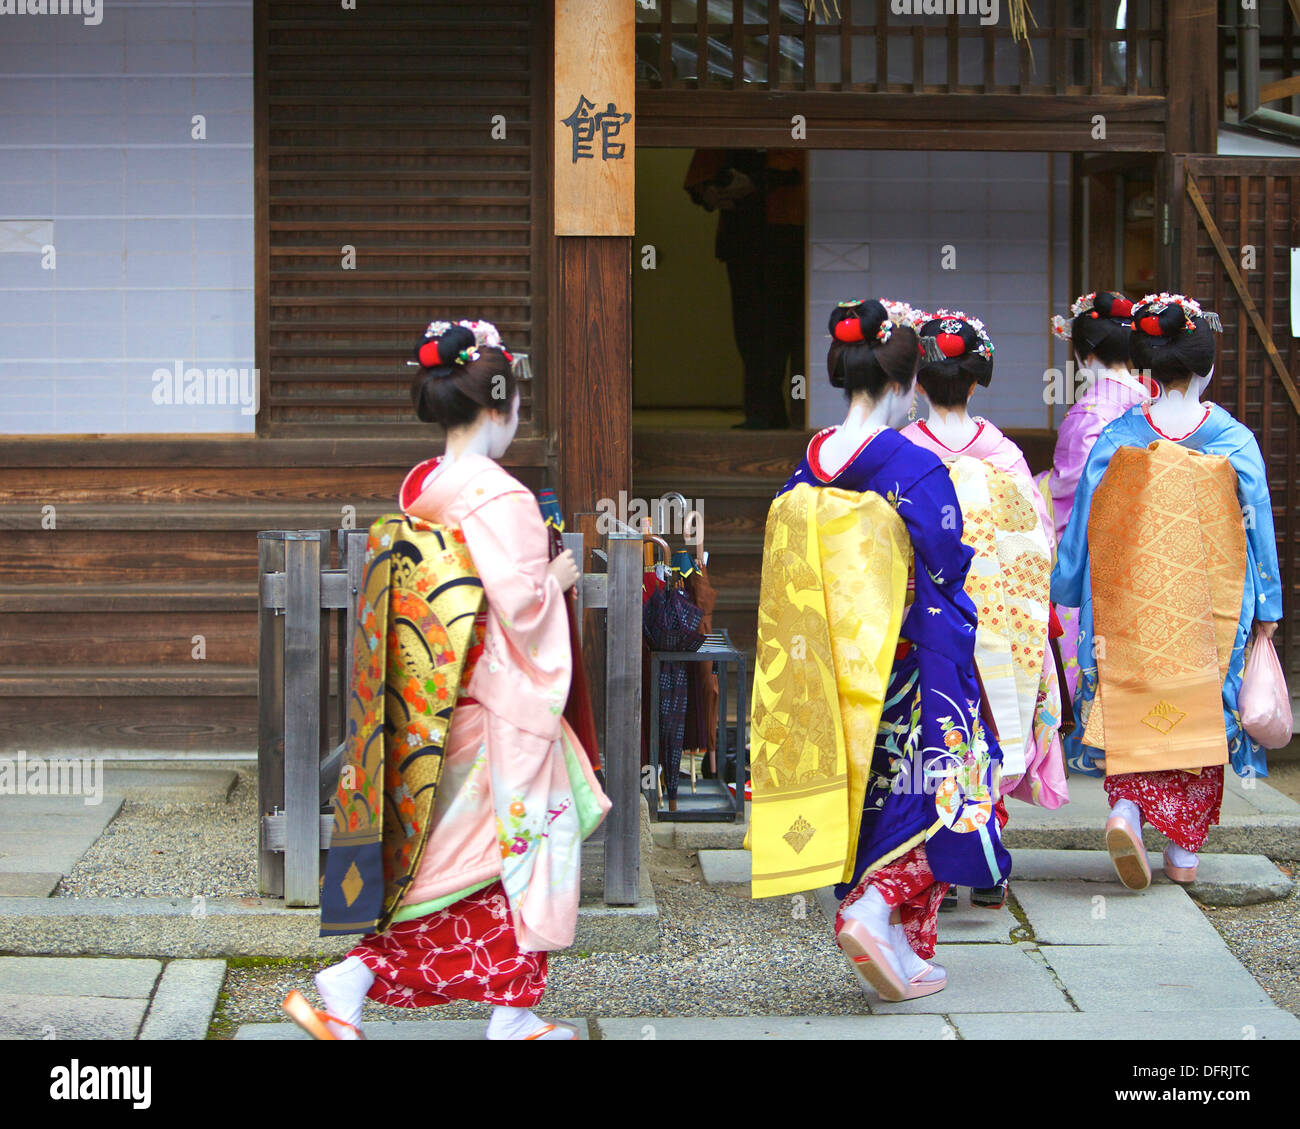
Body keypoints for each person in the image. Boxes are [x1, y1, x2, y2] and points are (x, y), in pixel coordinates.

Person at [283, 318, 610, 1040]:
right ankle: (385, 981)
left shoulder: (424, 489)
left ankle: (481, 1001)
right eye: (517, 405)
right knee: (527, 845)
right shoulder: (504, 497)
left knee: (477, 858)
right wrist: (556, 577)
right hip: (504, 703)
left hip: (440, 702)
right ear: (499, 407)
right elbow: (520, 606)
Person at [749, 298, 1011, 1003]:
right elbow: (948, 559)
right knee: (947, 785)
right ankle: (869, 910)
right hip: (906, 664)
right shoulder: (908, 463)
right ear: (904, 384)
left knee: (866, 794)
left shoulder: (808, 465)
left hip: (833, 669)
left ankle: (897, 940)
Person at [1051, 293, 1282, 889]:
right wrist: (1268, 607)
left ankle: (1127, 809)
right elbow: (1256, 526)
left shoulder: (1120, 434)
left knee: (1135, 706)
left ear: (1150, 367)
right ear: (1206, 368)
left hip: (1130, 603)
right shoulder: (1232, 439)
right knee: (1199, 713)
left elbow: (1085, 523)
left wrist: (1069, 585)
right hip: (1213, 605)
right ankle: (1182, 852)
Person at [901, 309, 1067, 910]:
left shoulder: (901, 456)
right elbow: (1038, 545)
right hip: (998, 626)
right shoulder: (1006, 458)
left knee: (930, 738)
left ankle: (932, 865)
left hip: (925, 625)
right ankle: (988, 865)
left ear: (915, 382)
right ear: (976, 382)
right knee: (987, 733)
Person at [1042, 292, 1154, 772]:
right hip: (1146, 540)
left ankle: (1086, 736)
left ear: (1084, 355)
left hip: (1092, 546)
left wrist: (1036, 491)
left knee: (1083, 634)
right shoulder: (1152, 401)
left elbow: (1068, 486)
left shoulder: (1089, 413)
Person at [683, 149, 805, 429]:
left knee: (783, 329)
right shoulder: (724, 120)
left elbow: (796, 167)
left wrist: (756, 182)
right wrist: (708, 191)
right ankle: (762, 412)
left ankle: (788, 415)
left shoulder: (793, 121)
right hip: (740, 236)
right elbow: (698, 175)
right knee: (749, 330)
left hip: (785, 235)